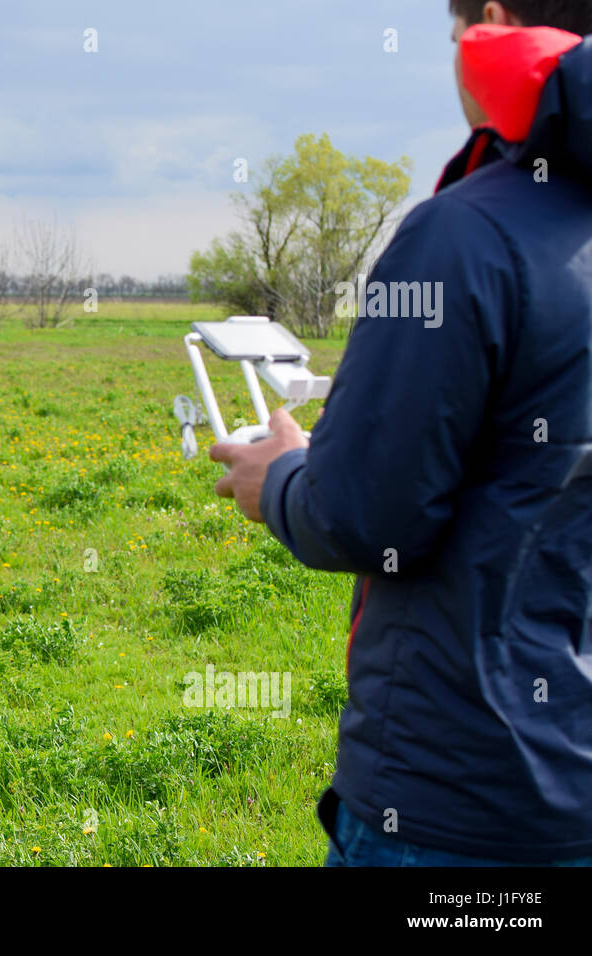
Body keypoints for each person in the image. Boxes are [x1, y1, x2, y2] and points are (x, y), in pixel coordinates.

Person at [211, 1, 592, 866]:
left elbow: (369, 518)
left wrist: (277, 476)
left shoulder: (462, 233)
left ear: (485, 21)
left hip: (458, 801)